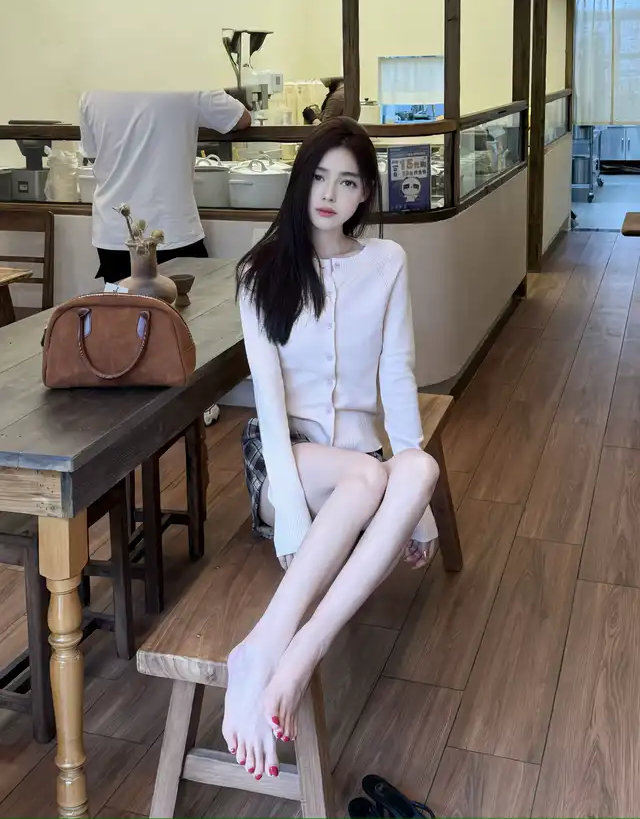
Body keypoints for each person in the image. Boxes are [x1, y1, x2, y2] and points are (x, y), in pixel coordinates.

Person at [223, 117, 440, 781]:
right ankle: (263, 649)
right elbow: (266, 399)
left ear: (365, 193)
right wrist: (290, 514)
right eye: (318, 177)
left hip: (357, 464)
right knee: (369, 481)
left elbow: (397, 374)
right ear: (301, 181)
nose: (329, 194)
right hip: (285, 458)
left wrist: (419, 510)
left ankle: (294, 654)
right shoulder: (261, 272)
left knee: (420, 468)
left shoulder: (387, 263)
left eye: (347, 182)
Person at [78, 90, 251, 284]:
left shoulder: (91, 92)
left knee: (121, 300)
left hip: (114, 231)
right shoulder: (189, 83)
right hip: (172, 227)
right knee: (190, 299)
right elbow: (240, 118)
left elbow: (92, 154)